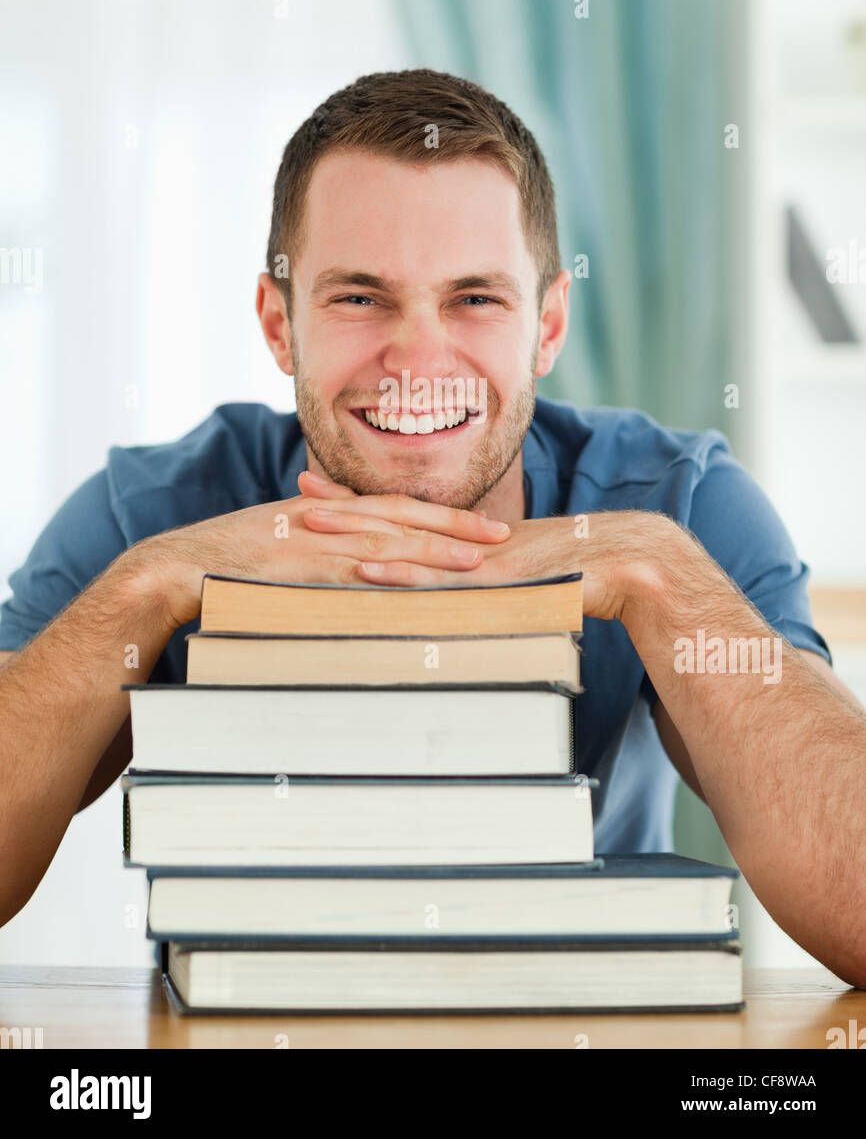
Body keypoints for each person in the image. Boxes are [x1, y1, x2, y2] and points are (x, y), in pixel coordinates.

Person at [1, 68, 864, 985]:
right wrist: (151, 589)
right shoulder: (150, 515)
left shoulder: (680, 506)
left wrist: (650, 572)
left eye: (475, 298)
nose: (417, 363)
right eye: (360, 297)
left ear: (548, 323)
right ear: (279, 323)